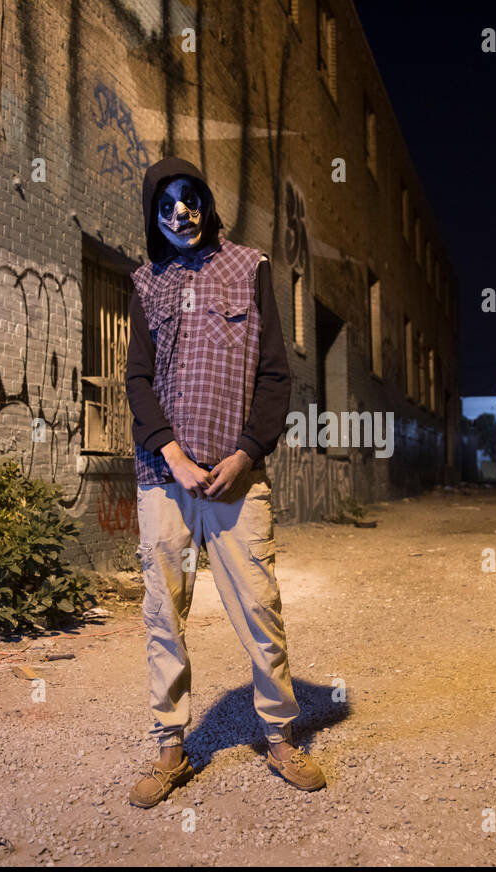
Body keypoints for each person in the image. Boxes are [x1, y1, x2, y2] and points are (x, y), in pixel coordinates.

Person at [123, 157, 324, 808]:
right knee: (164, 615)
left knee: (260, 607)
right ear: (155, 219)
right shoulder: (145, 283)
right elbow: (138, 382)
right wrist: (175, 457)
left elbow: (275, 374)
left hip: (237, 476)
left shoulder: (252, 267)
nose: (179, 214)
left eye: (189, 200)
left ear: (206, 204)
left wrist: (245, 453)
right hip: (165, 479)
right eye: (165, 207)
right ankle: (171, 749)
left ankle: (280, 737)